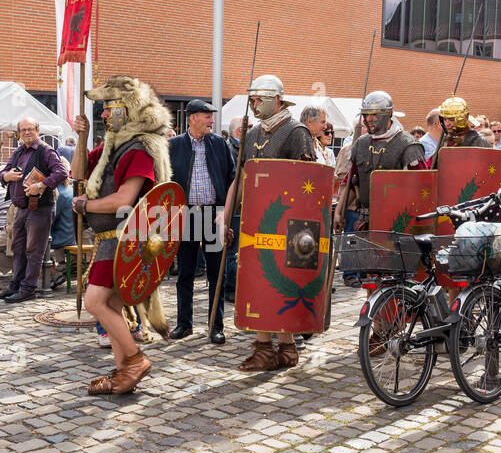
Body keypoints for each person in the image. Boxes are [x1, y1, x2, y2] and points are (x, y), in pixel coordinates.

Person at [73, 75, 171, 394]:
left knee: (94, 301)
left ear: (125, 110)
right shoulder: (110, 148)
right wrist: (82, 138)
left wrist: (88, 204)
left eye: (107, 108)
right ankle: (121, 372)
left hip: (122, 238)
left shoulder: (138, 149)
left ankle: (135, 359)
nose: (103, 114)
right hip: (109, 239)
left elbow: (124, 200)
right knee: (112, 306)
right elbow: (77, 175)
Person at [218, 74, 315, 370]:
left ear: (277, 100)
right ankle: (268, 348)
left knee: (279, 283)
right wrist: (225, 216)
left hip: (287, 224)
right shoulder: (254, 133)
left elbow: (305, 180)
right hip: (255, 221)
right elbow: (242, 178)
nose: (254, 104)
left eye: (259, 99)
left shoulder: (296, 131)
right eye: (252, 99)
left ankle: (284, 347)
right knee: (259, 282)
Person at [169, 98, 234, 343]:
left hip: (214, 216)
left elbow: (231, 179)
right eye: (207, 116)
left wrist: (226, 216)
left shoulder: (219, 144)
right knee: (185, 273)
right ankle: (183, 324)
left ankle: (215, 327)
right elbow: (164, 181)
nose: (212, 121)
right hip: (186, 215)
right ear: (193, 117)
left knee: (217, 275)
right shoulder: (173, 145)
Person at [0, 117, 68, 302]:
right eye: (23, 129)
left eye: (30, 129)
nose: (27, 132)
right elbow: (3, 172)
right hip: (21, 208)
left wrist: (41, 186)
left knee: (34, 251)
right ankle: (15, 286)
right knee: (18, 249)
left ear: (37, 130)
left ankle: (28, 289)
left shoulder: (45, 151)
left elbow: (62, 172)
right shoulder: (18, 151)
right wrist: (6, 176)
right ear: (19, 133)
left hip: (40, 208)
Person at [336, 91, 426, 234]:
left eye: (375, 114)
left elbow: (422, 189)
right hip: (364, 219)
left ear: (389, 114)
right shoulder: (361, 143)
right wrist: (339, 212)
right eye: (366, 114)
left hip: (397, 221)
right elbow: (352, 181)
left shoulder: (408, 146)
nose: (369, 119)